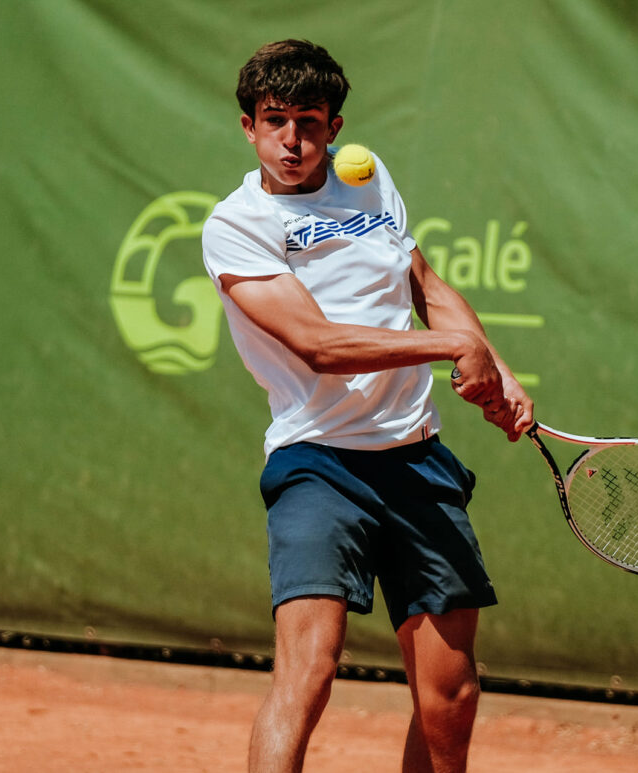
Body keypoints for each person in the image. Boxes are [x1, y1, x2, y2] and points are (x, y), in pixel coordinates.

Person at [201, 39, 534, 773]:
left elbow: (424, 281)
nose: (293, 140)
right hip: (317, 463)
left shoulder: (369, 178)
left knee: (450, 694)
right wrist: (449, 350)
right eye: (275, 119)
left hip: (416, 458)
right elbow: (317, 343)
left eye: (310, 121)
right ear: (249, 127)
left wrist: (496, 365)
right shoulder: (235, 224)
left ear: (336, 124)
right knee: (310, 671)